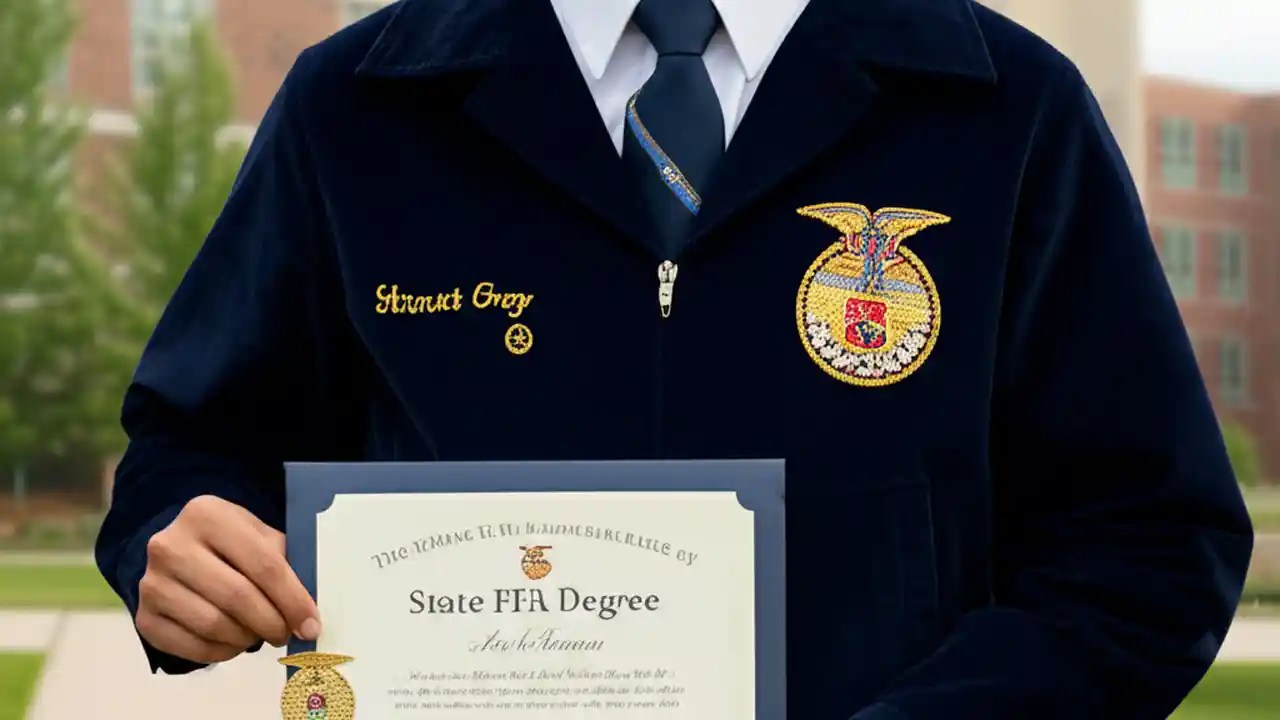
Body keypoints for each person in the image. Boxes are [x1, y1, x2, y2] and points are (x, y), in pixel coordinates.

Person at [95, 0, 1255, 717]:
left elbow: (1148, 545)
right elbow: (195, 445)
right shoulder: (354, 109)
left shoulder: (1006, 111)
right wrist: (175, 539)